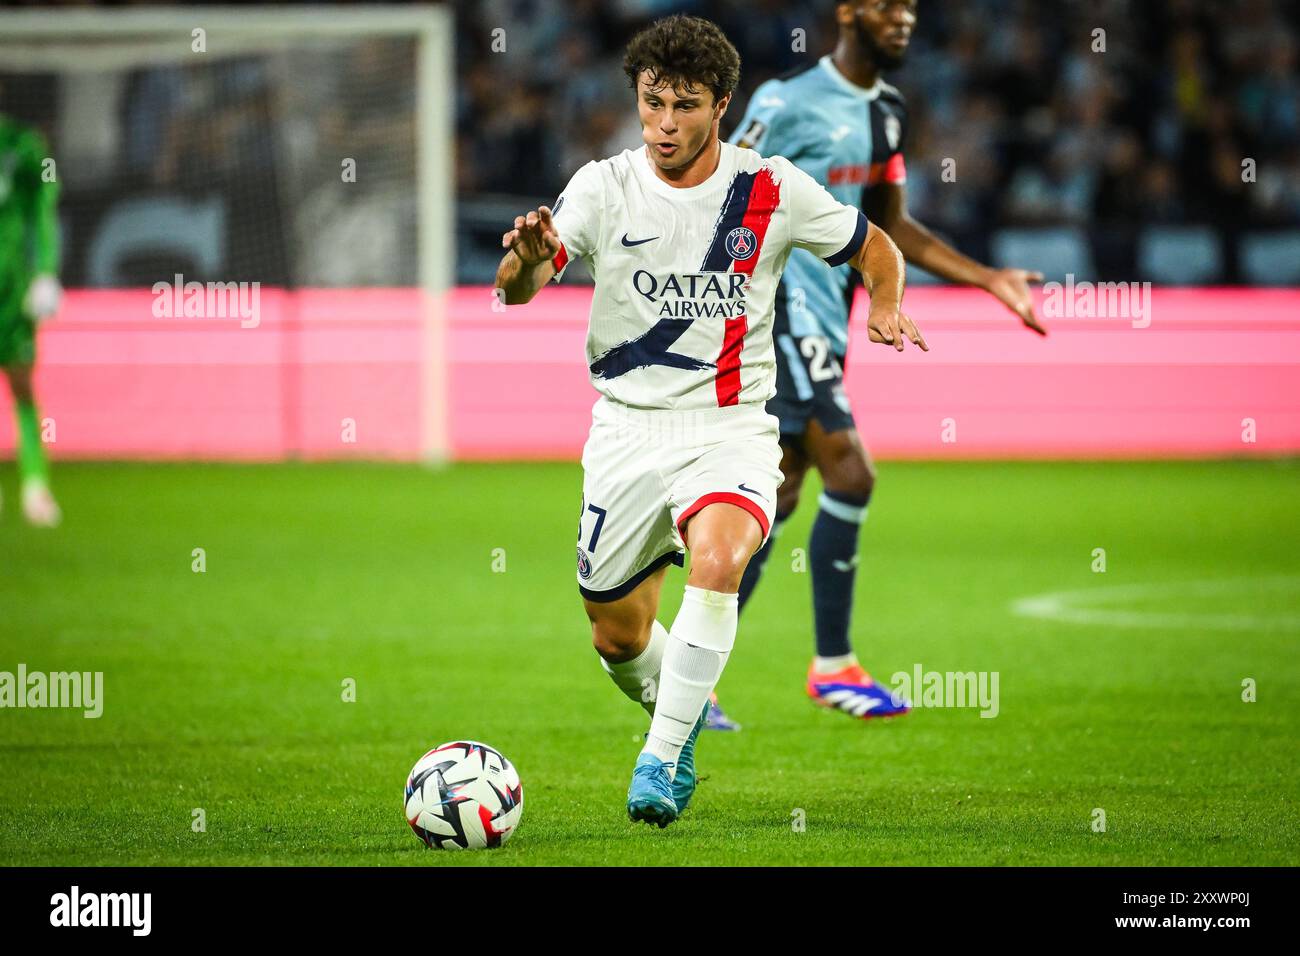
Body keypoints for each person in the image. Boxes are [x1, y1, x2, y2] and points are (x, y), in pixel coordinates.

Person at [494, 14, 925, 827]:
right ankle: (678, 724)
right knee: (617, 635)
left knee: (720, 557)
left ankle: (657, 760)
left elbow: (876, 246)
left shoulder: (770, 189)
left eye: (684, 106)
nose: (663, 123)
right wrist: (524, 257)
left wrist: (887, 303)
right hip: (625, 430)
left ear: (721, 104)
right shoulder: (602, 187)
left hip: (729, 427)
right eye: (652, 102)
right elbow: (520, 290)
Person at [711, 0, 1045, 726]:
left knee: (779, 496)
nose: (904, 19)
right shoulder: (784, 101)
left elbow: (889, 225)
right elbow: (720, 192)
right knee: (850, 471)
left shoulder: (888, 111)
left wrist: (987, 278)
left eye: (912, 8)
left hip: (831, 321)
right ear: (849, 11)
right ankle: (833, 666)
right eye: (888, 6)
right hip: (779, 316)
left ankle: (686, 672)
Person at [0, 110, 62, 527]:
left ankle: (35, 485)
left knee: (21, 382)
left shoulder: (22, 146)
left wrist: (44, 271)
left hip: (11, 287)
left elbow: (42, 209)